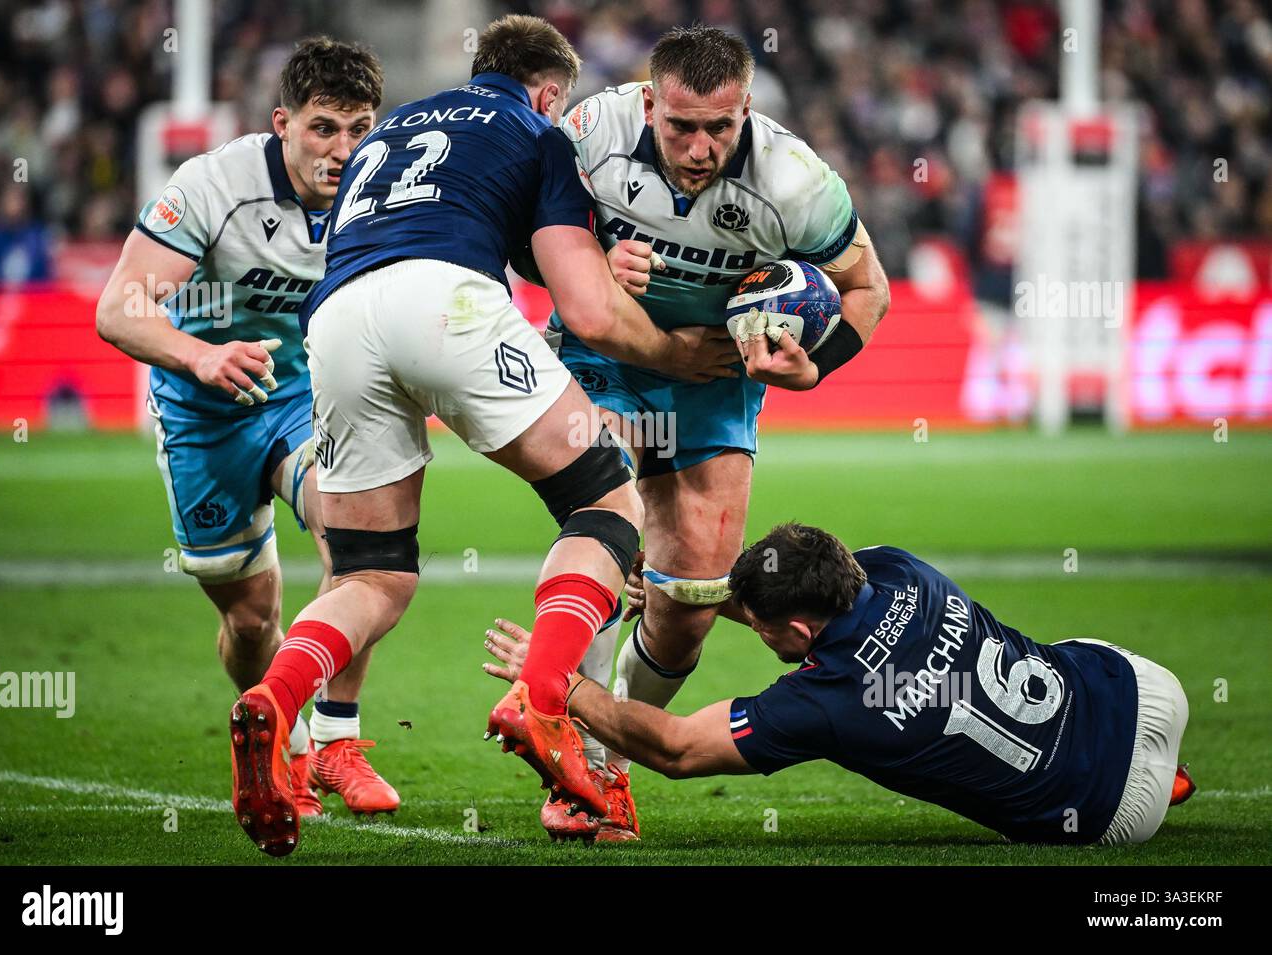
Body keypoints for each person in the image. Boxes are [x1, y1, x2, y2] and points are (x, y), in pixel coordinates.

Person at [226, 15, 737, 857]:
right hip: (447, 300)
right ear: (547, 91)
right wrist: (682, 350)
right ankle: (540, 691)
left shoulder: (395, 124)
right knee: (606, 500)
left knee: (371, 571)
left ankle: (278, 703)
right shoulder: (538, 133)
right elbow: (587, 310)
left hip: (338, 321)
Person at [539, 25, 891, 841]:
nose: (699, 148)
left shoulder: (796, 183)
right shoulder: (589, 134)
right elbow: (525, 243)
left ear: (747, 112)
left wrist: (817, 366)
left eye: (719, 128)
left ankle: (608, 754)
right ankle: (577, 772)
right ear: (648, 102)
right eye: (680, 126)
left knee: (693, 597)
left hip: (711, 378)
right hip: (602, 353)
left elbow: (867, 286)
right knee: (608, 515)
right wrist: (592, 259)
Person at [97, 37, 398, 819]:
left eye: (360, 127)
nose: (343, 150)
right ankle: (279, 739)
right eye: (325, 128)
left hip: (303, 394)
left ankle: (336, 741)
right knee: (250, 613)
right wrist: (199, 357)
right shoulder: (212, 184)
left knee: (357, 542)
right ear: (282, 124)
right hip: (203, 414)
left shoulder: (383, 187)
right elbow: (119, 307)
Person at [484, 522, 1196, 845]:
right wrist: (671, 592)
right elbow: (780, 600)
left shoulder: (831, 700)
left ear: (796, 634)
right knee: (1048, 654)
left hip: (1113, 814)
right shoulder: (898, 568)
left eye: (760, 625)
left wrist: (562, 682)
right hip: (1145, 691)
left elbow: (673, 748)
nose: (752, 627)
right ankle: (1169, 769)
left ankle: (1150, 780)